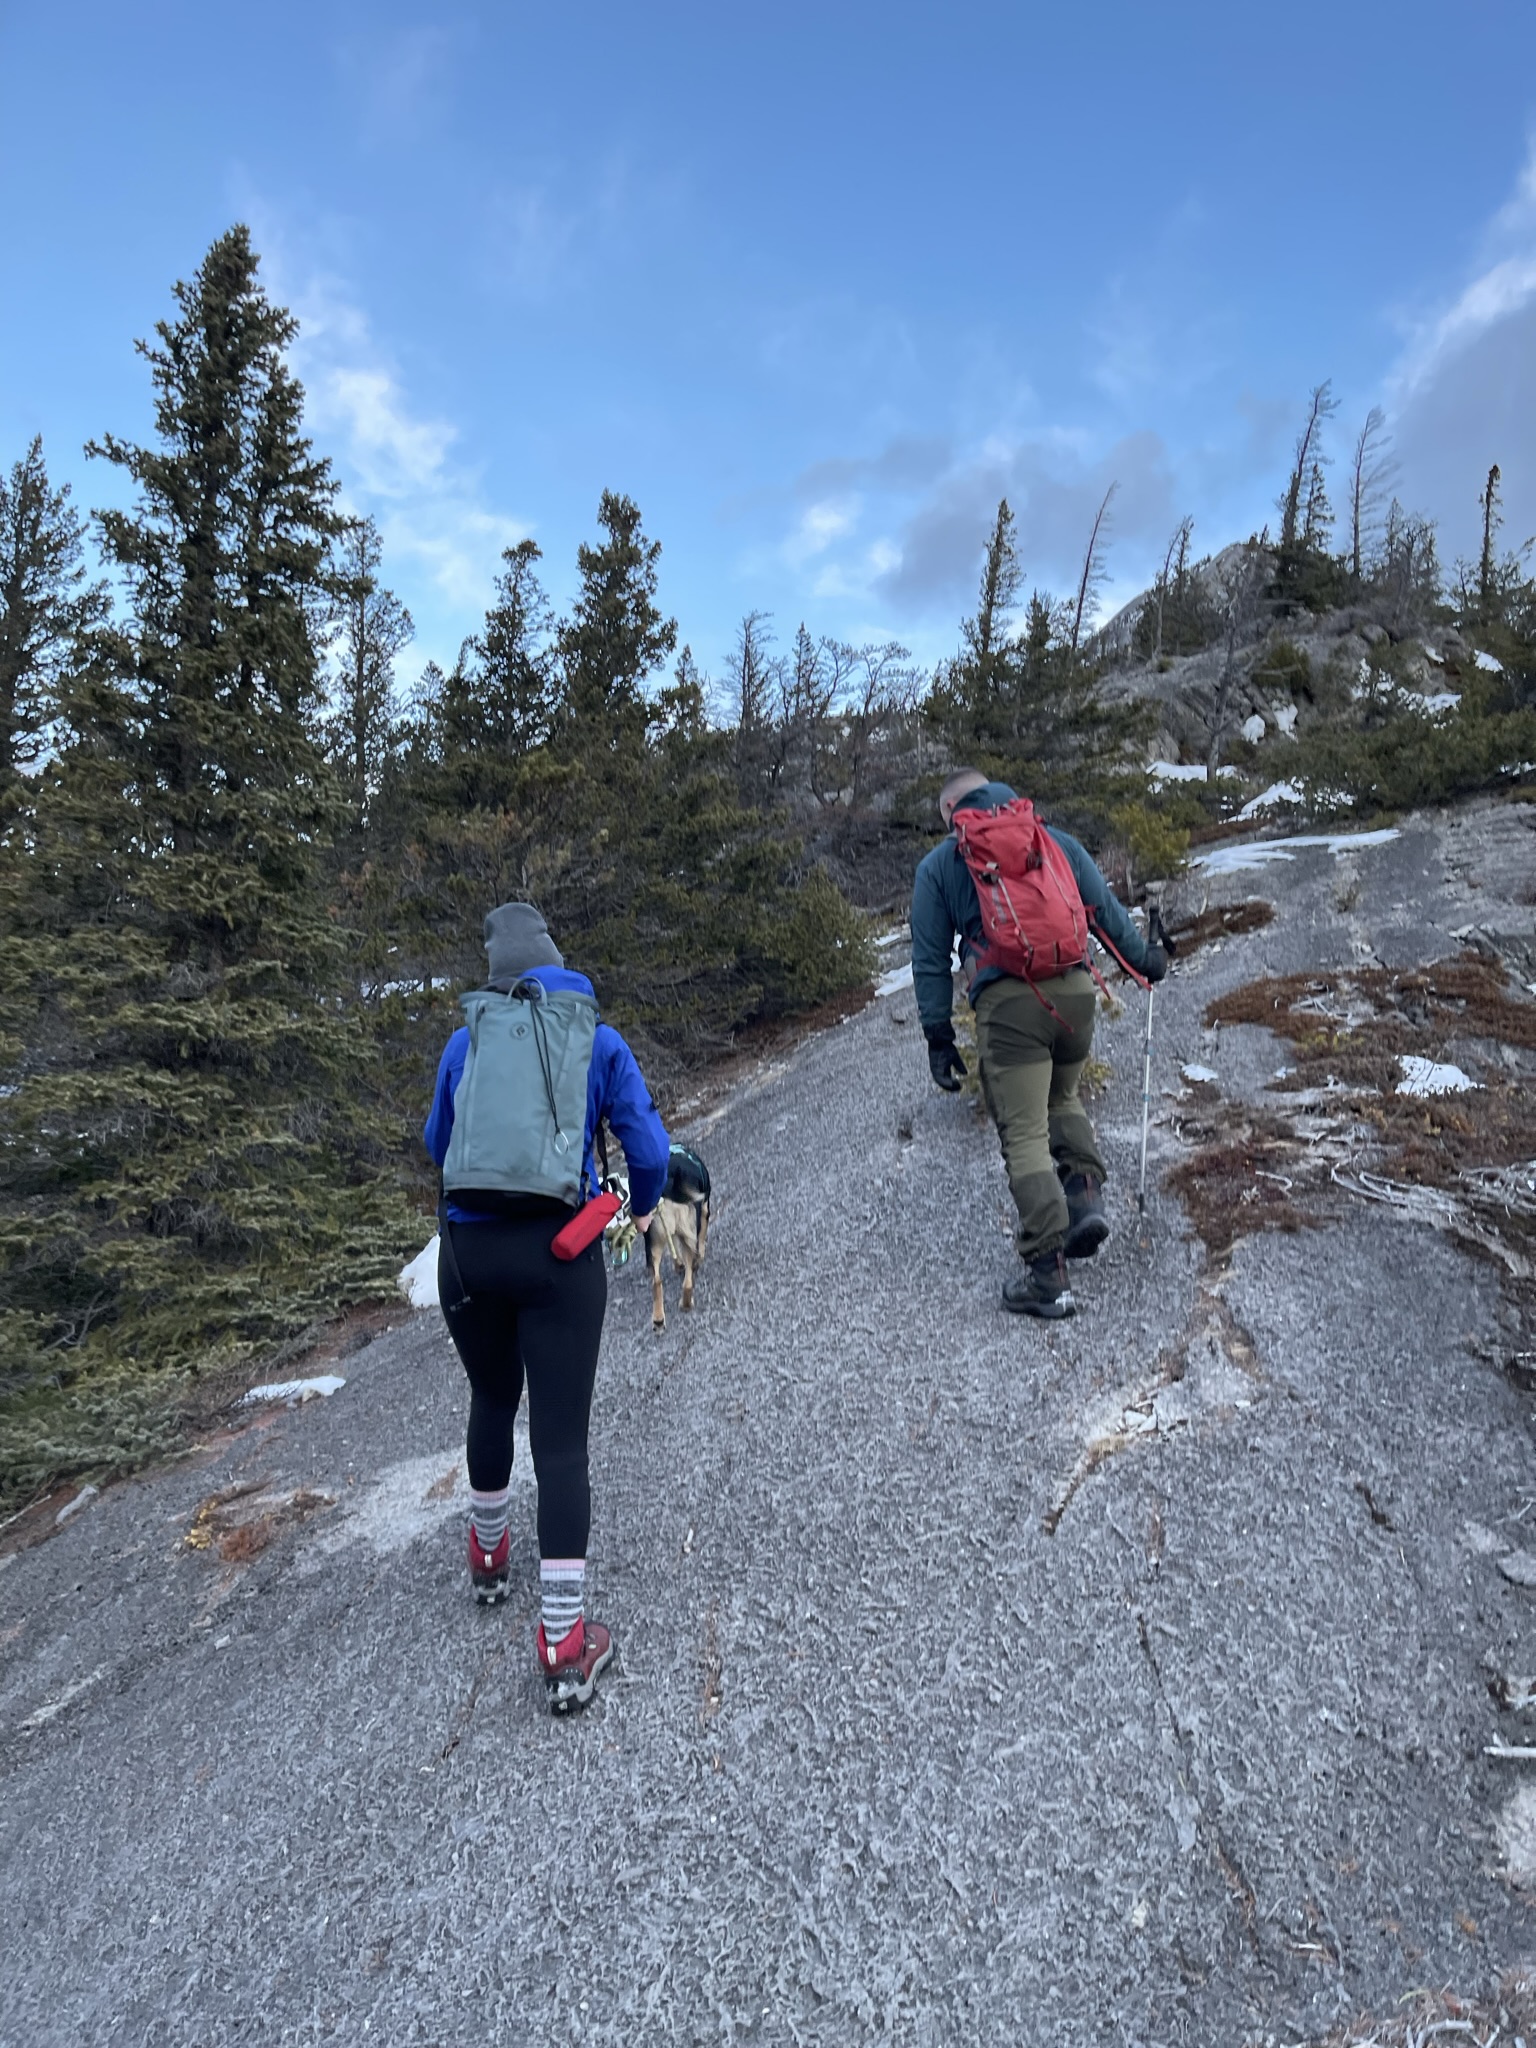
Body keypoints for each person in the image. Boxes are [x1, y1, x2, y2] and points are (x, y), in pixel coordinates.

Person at [424, 901, 670, 1713]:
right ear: (556, 962)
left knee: (492, 1398)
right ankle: (565, 1644)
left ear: (494, 973)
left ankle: (489, 1561)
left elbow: (437, 1144)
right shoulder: (595, 1038)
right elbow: (649, 1149)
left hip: (468, 1255)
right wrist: (642, 1203)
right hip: (561, 1253)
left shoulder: (466, 1042)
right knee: (561, 1445)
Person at [911, 769, 1168, 1319]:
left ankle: (1047, 1274)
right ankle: (1084, 1197)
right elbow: (1103, 914)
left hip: (1011, 1007)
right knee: (1063, 1096)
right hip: (1076, 991)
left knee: (1023, 1132)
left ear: (952, 810)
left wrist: (938, 1035)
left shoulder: (939, 866)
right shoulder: (1054, 840)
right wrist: (1146, 963)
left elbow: (930, 960)